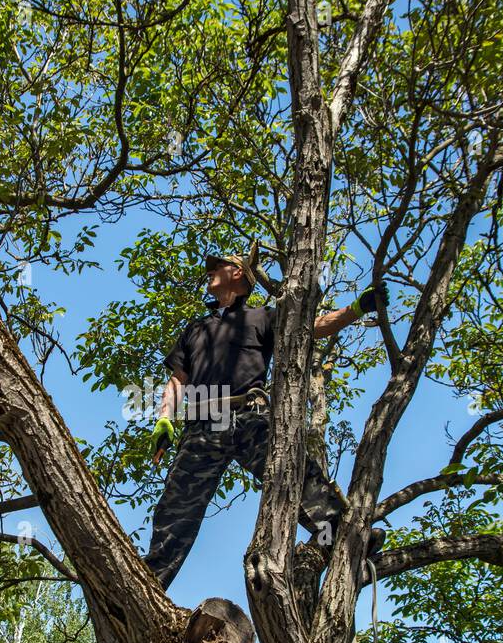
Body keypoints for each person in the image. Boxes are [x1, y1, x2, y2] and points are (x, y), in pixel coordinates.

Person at [144, 243, 388, 590]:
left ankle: (351, 542)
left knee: (297, 474)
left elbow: (313, 327)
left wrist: (357, 308)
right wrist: (164, 421)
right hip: (202, 424)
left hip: (250, 416)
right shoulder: (196, 329)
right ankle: (147, 587)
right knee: (175, 509)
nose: (210, 270)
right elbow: (176, 381)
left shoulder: (263, 316)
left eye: (219, 265)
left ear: (239, 272)